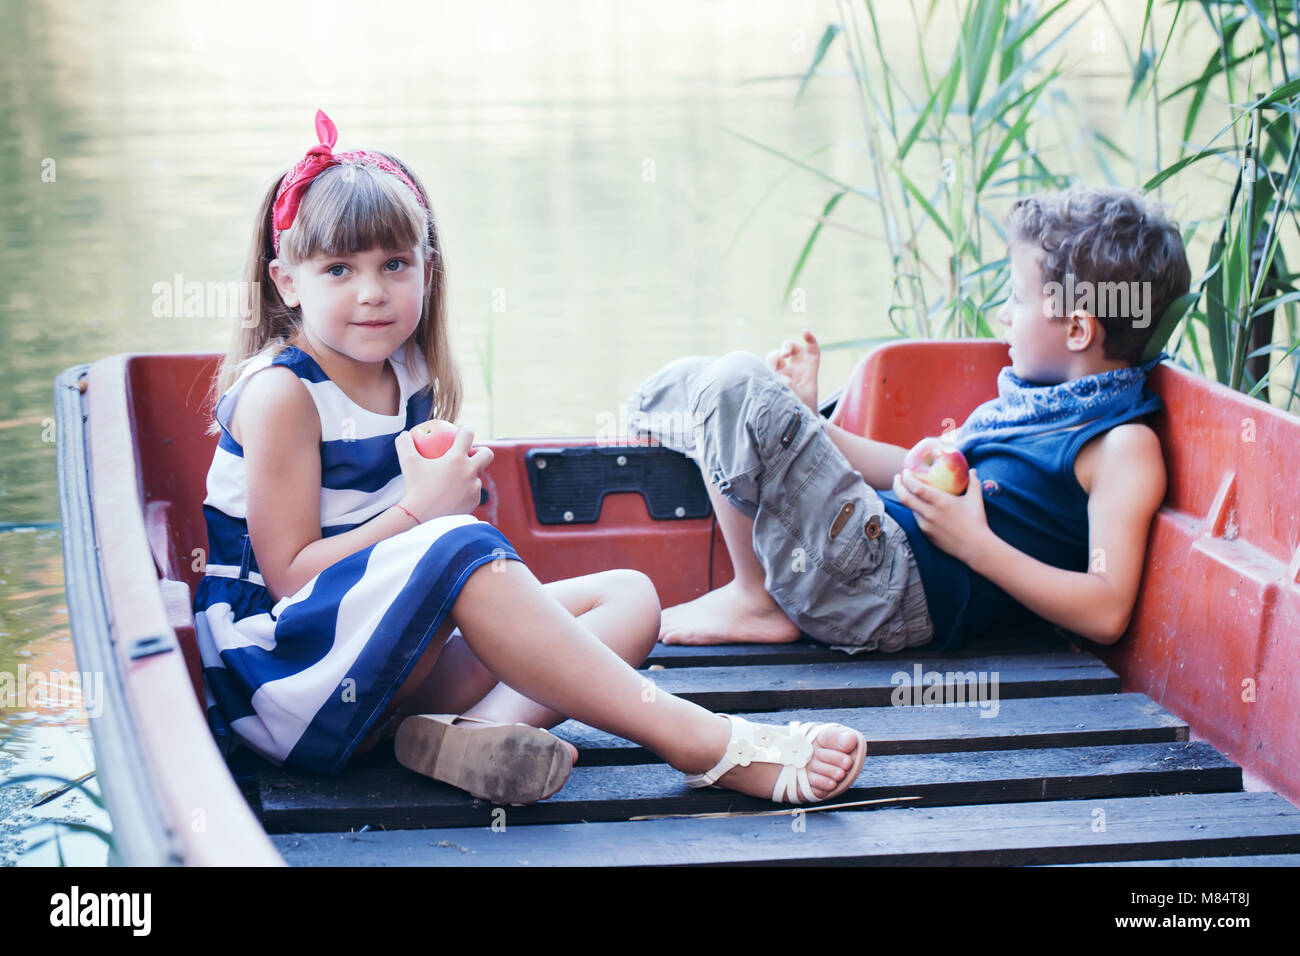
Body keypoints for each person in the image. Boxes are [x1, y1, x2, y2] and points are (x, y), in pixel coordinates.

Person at [191, 109, 866, 807]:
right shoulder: (282, 395)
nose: (372, 291)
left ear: (426, 267)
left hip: (377, 664)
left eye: (394, 264)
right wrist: (421, 514)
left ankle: (471, 737)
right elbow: (289, 577)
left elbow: (403, 558)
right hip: (285, 679)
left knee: (630, 595)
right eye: (339, 269)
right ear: (286, 282)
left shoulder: (407, 370)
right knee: (458, 543)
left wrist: (435, 516)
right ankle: (704, 743)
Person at [626, 184, 1190, 655]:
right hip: (872, 541)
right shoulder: (1033, 400)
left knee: (737, 383)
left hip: (887, 587)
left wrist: (976, 544)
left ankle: (756, 599)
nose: (1002, 315)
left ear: (1077, 331)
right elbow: (906, 469)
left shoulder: (1120, 444)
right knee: (711, 380)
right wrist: (807, 425)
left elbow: (1107, 607)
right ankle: (756, 577)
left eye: (1017, 298)